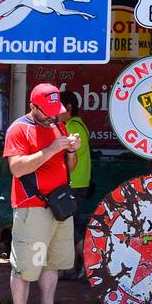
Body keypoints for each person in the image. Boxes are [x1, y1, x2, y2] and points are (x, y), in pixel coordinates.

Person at [3, 83, 83, 304]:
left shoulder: (58, 125)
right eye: (47, 112)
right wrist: (51, 149)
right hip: (32, 207)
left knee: (53, 262)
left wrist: (71, 151)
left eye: (55, 112)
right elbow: (16, 169)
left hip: (58, 206)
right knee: (26, 266)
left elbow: (70, 165)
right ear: (32, 107)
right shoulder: (19, 129)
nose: (53, 117)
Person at [60, 90, 94, 282]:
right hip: (79, 183)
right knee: (72, 225)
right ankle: (72, 268)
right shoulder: (78, 125)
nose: (55, 112)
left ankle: (85, 264)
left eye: (59, 108)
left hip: (72, 183)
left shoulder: (72, 128)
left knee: (68, 227)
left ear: (69, 107)